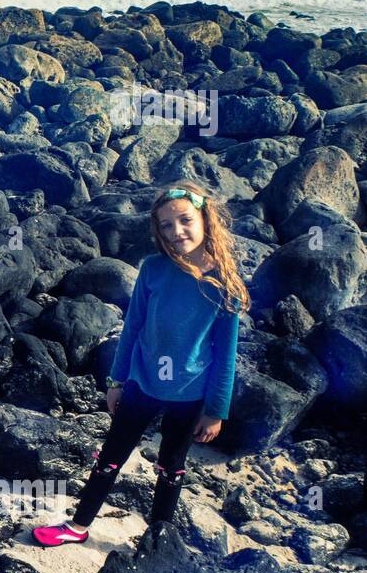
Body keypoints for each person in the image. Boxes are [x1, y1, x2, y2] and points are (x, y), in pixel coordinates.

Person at [33, 180, 249, 546]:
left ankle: (157, 538)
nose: (176, 231)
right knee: (110, 456)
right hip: (142, 384)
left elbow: (225, 356)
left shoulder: (223, 282)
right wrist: (116, 381)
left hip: (189, 393)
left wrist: (216, 410)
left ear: (205, 220)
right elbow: (132, 327)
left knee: (171, 468)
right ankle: (79, 526)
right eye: (166, 225)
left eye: (185, 220)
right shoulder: (153, 269)